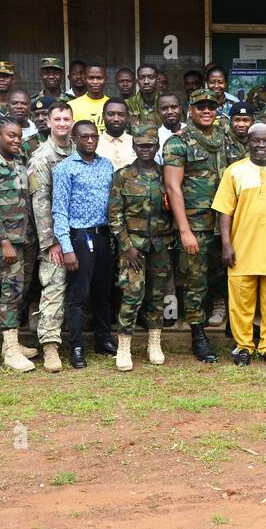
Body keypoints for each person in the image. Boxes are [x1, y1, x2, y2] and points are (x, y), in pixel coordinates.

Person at [214, 123, 266, 367]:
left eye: (265, 141)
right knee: (241, 301)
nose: (261, 145)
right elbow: (224, 211)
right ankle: (243, 346)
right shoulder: (235, 171)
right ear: (248, 142)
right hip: (242, 249)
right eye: (256, 141)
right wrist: (226, 244)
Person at [164, 89, 229, 362]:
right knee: (195, 284)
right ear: (190, 110)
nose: (206, 110)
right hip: (196, 226)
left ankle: (233, 331)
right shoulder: (177, 143)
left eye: (211, 106)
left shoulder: (224, 140)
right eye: (200, 106)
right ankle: (198, 336)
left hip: (223, 225)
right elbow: (172, 187)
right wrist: (185, 230)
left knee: (222, 280)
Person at [53, 120, 118, 370]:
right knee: (78, 295)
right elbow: (59, 210)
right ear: (74, 139)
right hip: (80, 237)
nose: (90, 141)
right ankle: (77, 346)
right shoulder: (65, 169)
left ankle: (103, 339)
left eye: (93, 136)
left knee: (104, 293)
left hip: (104, 236)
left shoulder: (106, 165)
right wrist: (67, 247)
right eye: (84, 137)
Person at [0, 117, 40, 372]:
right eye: (10, 135)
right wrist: (3, 241)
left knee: (21, 289)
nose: (16, 140)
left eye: (18, 136)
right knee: (10, 292)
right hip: (7, 241)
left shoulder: (21, 160)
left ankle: (11, 344)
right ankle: (11, 349)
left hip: (27, 238)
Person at [108, 127, 173, 370]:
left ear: (157, 148)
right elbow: (114, 214)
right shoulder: (123, 175)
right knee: (132, 294)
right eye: (141, 146)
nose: (146, 150)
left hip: (160, 245)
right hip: (133, 247)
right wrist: (126, 247)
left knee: (156, 294)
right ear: (133, 147)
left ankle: (154, 342)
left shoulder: (165, 175)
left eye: (150, 146)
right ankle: (124, 347)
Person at [27, 101, 76, 372]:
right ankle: (50, 346)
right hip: (54, 238)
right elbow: (40, 202)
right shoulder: (41, 156)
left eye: (66, 119)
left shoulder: (78, 149)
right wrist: (52, 242)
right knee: (54, 287)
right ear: (48, 121)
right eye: (57, 119)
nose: (62, 124)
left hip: (78, 233)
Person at [99, 98, 138, 170]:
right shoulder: (94, 143)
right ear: (103, 116)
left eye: (121, 115)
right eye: (111, 114)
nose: (116, 119)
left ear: (128, 117)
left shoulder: (137, 142)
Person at [69, 64, 110, 132]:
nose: (95, 82)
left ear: (106, 79)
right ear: (84, 79)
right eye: (91, 78)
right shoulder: (72, 106)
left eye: (99, 78)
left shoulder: (112, 105)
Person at [126, 64, 163, 133]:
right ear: (137, 81)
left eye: (151, 77)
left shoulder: (167, 103)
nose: (146, 81)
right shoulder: (128, 104)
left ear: (157, 80)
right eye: (142, 77)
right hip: (136, 143)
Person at [156, 92, 184, 164]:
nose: (170, 112)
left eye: (174, 107)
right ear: (158, 112)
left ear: (180, 108)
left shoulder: (191, 130)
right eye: (164, 109)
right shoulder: (155, 138)